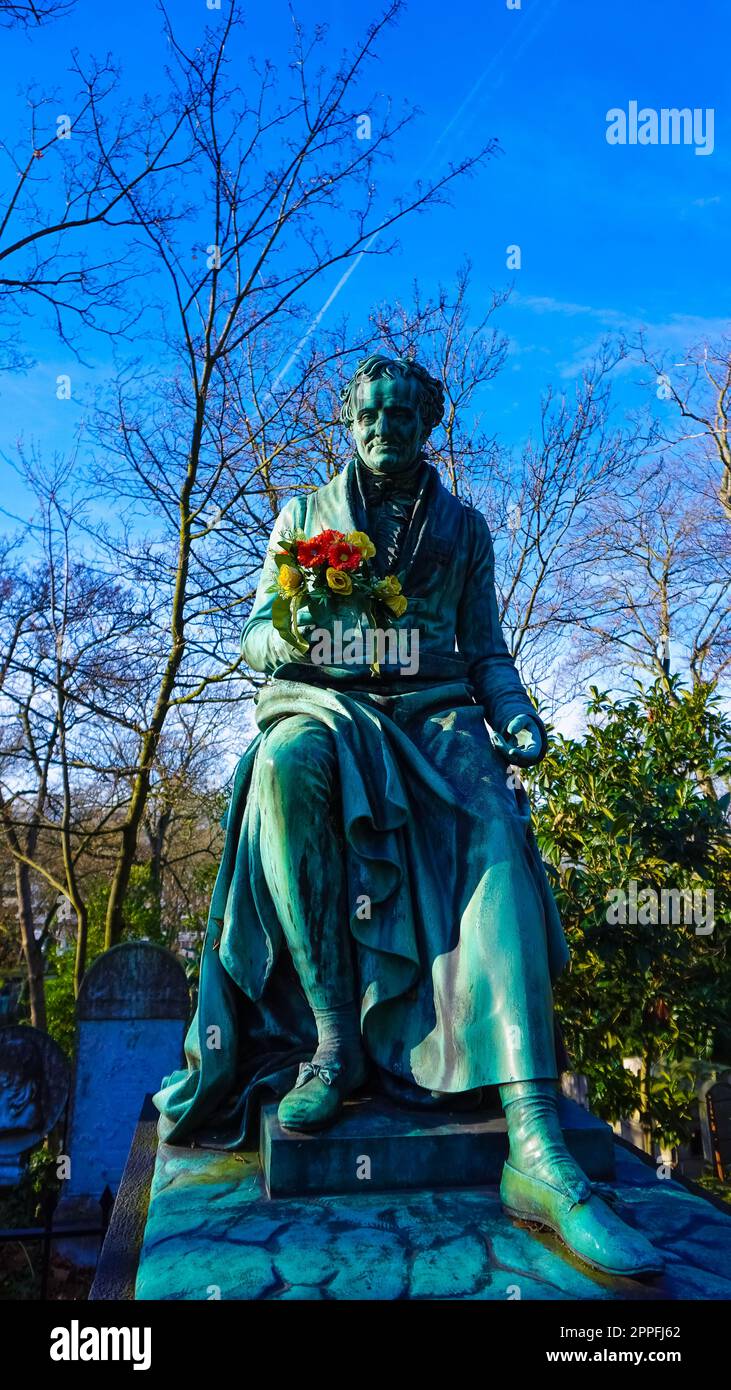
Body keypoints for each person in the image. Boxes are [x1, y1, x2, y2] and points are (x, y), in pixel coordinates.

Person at [155, 354, 663, 1279]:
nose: (385, 426)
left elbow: (488, 648)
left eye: (403, 413)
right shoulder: (303, 517)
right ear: (347, 422)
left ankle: (535, 1138)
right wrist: (292, 633)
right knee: (281, 767)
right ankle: (334, 1040)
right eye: (369, 414)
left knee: (494, 827)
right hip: (327, 705)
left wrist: (515, 715)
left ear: (430, 421)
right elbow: (255, 633)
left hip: (435, 711)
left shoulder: (464, 527)